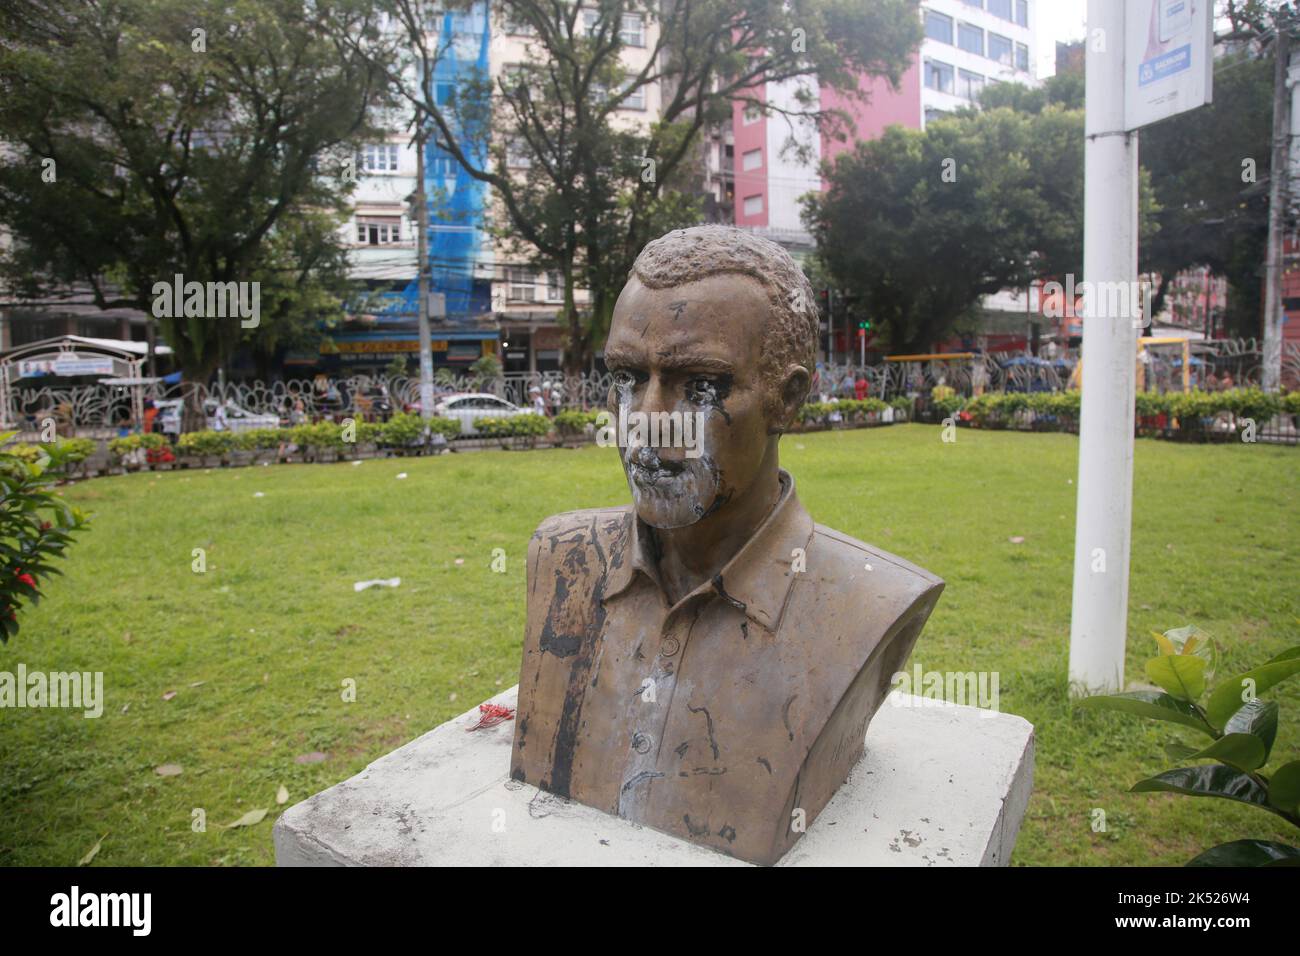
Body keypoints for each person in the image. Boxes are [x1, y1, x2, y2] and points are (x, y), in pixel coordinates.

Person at [510, 225, 943, 866]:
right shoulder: (561, 560)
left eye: (701, 385)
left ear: (786, 399)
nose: (648, 419)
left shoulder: (872, 604)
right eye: (628, 378)